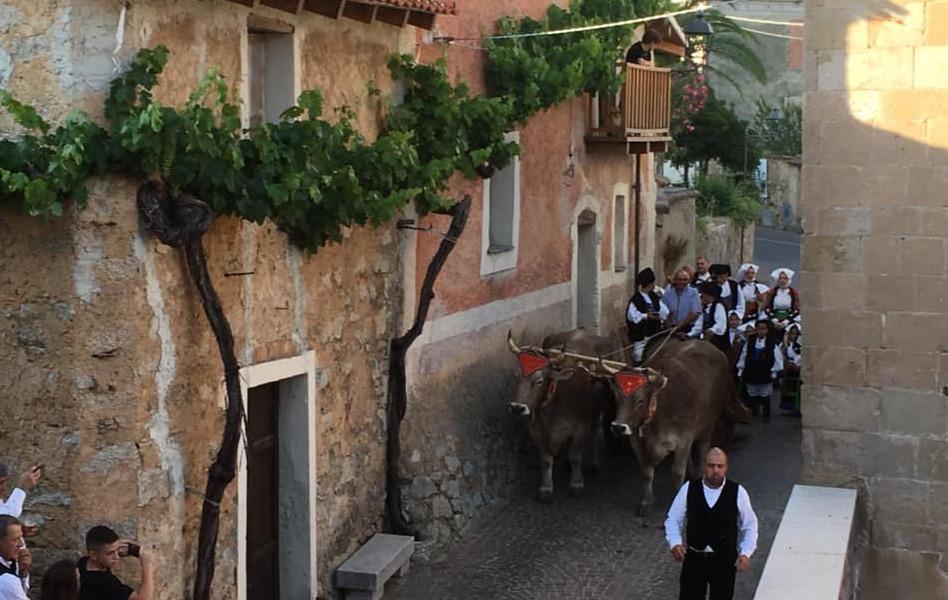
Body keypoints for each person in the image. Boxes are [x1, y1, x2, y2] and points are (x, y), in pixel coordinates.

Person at [665, 447, 758, 600]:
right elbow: (673, 518)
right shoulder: (689, 488)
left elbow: (750, 525)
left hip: (724, 561)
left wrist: (746, 552)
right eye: (711, 465)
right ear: (703, 466)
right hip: (695, 559)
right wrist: (675, 542)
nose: (715, 470)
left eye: (719, 466)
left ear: (726, 468)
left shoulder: (738, 492)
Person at [78, 526, 154, 600]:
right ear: (93, 555)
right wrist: (147, 565)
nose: (116, 556)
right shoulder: (106, 582)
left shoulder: (83, 562)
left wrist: (132, 550)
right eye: (110, 553)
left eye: (117, 550)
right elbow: (142, 598)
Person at [737, 318, 784, 421]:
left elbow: (777, 358)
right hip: (752, 370)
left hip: (765, 371)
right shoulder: (750, 342)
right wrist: (741, 369)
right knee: (752, 392)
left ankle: (766, 414)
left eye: (763, 329)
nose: (761, 331)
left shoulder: (771, 343)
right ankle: (754, 411)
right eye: (758, 329)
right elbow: (744, 355)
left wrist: (774, 371)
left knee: (765, 393)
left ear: (768, 330)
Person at [627, 267, 669, 363]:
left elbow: (664, 311)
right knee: (638, 355)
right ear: (650, 284)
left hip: (655, 333)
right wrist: (646, 316)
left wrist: (659, 316)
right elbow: (632, 316)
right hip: (642, 336)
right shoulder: (636, 299)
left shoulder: (654, 296)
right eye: (653, 283)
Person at [689, 282, 730, 354]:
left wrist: (711, 330)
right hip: (706, 341)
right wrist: (689, 335)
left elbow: (721, 325)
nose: (701, 298)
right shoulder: (705, 308)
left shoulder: (718, 306)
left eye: (702, 295)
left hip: (718, 344)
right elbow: (699, 325)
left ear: (709, 296)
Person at [0, 515, 30, 600]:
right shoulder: (6, 580)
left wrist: (23, 572)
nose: (20, 544)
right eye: (15, 540)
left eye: (21, 538)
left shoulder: (11, 563)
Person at [780, 323, 803, 417]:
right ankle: (790, 408)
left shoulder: (800, 345)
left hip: (798, 368)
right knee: (789, 389)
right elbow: (782, 355)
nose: (793, 336)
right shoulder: (786, 344)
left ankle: (799, 408)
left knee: (798, 390)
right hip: (789, 369)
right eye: (792, 334)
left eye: (795, 334)